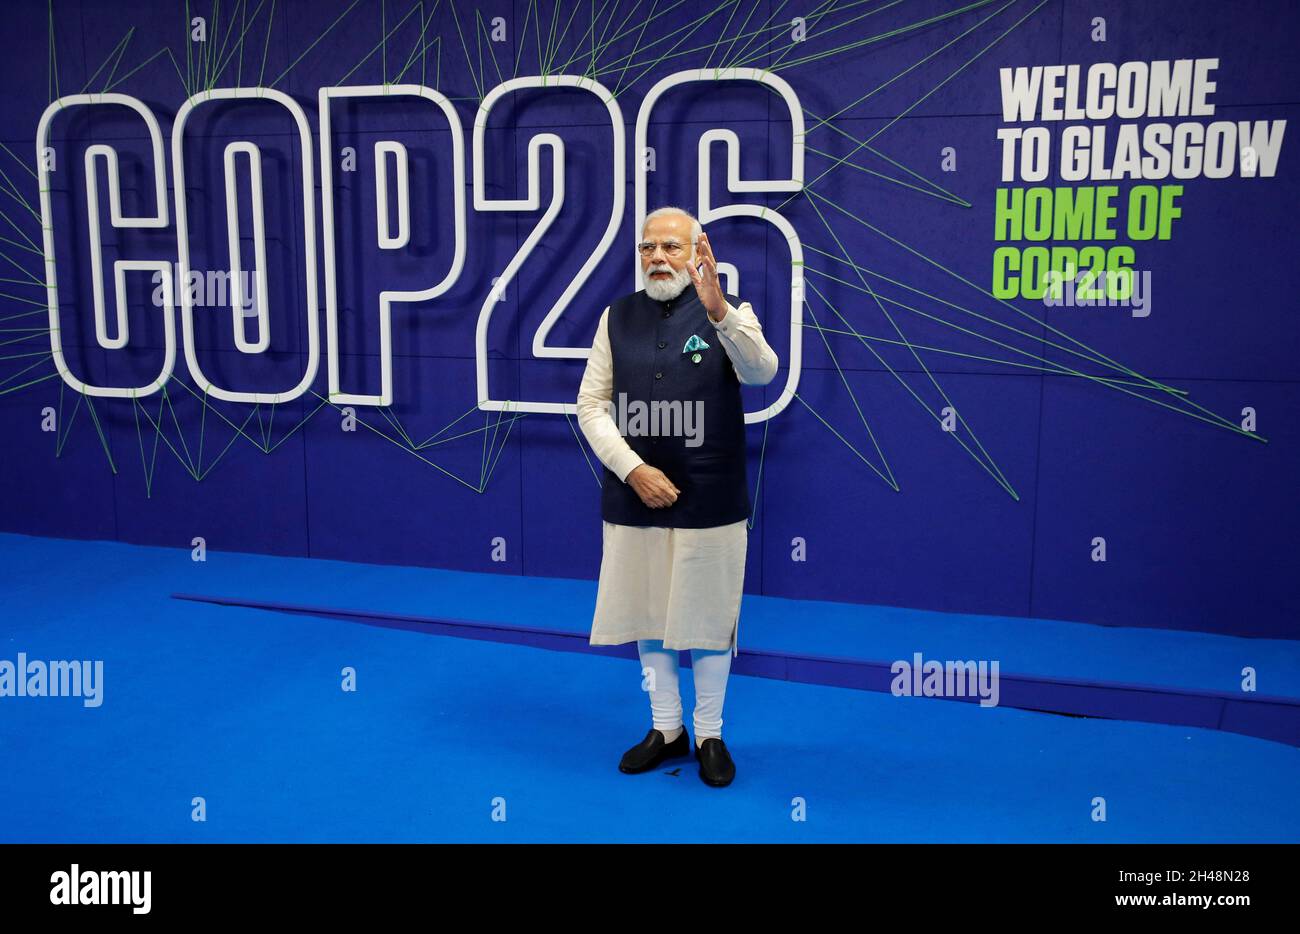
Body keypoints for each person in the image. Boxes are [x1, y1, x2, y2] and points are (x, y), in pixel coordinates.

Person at [576, 205, 779, 787]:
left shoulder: (728, 313)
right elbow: (592, 406)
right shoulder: (616, 316)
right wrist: (633, 468)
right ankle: (667, 729)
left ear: (698, 251)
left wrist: (720, 315)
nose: (658, 257)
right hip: (634, 495)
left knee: (707, 620)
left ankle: (710, 732)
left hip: (711, 500)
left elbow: (763, 372)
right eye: (648, 247)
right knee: (649, 614)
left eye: (670, 246)